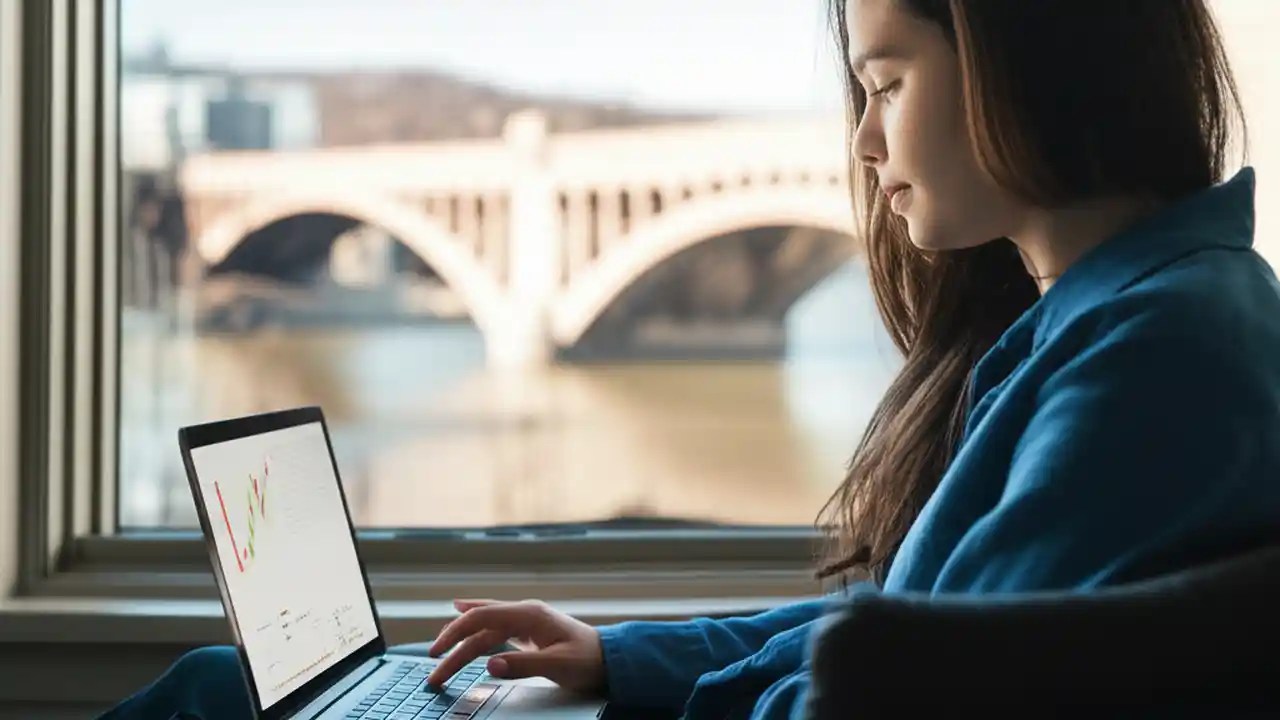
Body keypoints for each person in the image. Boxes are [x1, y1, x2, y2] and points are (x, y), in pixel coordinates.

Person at [99, 0, 1280, 718]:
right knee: (225, 680)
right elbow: (906, 633)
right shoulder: (1137, 317)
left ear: (1028, 60)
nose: (864, 143)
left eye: (885, 84)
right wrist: (619, 657)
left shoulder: (1152, 355)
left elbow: (899, 684)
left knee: (217, 693)